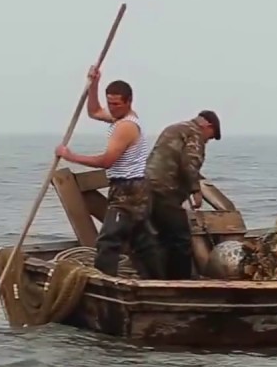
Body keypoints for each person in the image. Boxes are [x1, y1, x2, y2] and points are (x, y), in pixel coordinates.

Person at [56, 66, 163, 278]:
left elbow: (106, 161)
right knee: (142, 241)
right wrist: (94, 82)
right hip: (130, 187)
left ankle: (104, 286)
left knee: (108, 240)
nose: (111, 108)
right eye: (110, 103)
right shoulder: (119, 118)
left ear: (128, 102)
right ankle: (158, 281)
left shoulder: (126, 127)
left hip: (129, 190)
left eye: (116, 104)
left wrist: (71, 156)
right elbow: (94, 111)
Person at [144, 111, 222, 279]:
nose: (207, 141)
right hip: (164, 190)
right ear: (208, 126)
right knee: (181, 238)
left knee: (162, 237)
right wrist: (196, 190)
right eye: (210, 137)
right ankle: (181, 283)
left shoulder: (174, 128)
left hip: (145, 187)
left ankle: (159, 279)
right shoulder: (195, 134)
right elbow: (189, 164)